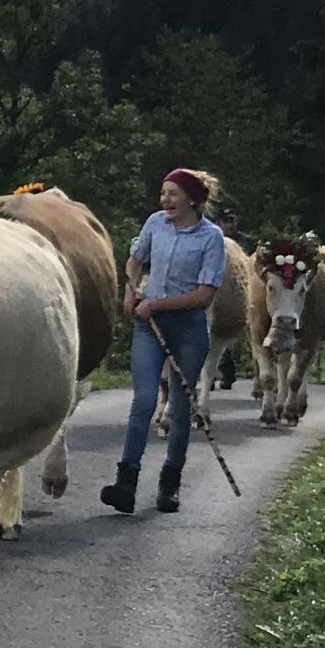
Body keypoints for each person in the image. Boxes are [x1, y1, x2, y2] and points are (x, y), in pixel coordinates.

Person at [102, 168, 231, 514]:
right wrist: (130, 289)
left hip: (187, 329)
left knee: (178, 407)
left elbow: (204, 295)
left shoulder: (211, 238)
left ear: (192, 199)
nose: (165, 200)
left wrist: (155, 303)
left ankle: (170, 484)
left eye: (172, 194)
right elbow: (135, 259)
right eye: (163, 193)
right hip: (149, 325)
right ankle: (125, 482)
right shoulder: (155, 223)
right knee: (144, 400)